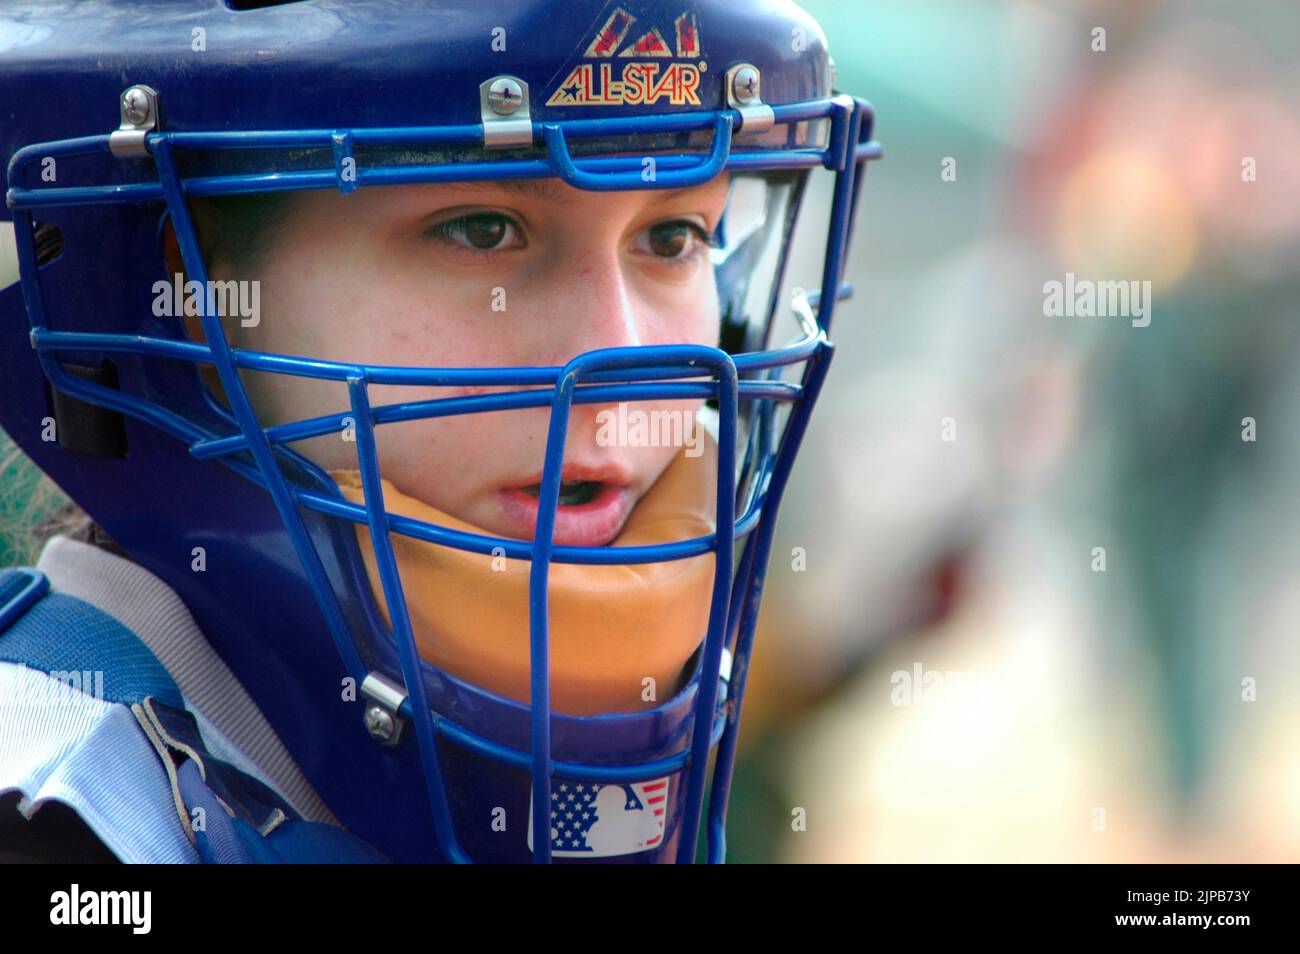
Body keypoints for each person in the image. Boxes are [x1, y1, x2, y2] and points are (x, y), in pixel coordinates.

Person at [0, 0, 879, 863]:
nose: (621, 366)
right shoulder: (55, 807)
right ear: (187, 292)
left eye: (675, 236)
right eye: (484, 229)